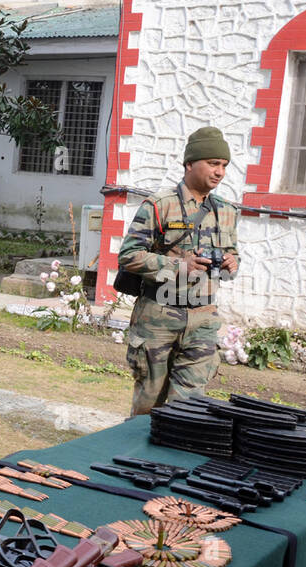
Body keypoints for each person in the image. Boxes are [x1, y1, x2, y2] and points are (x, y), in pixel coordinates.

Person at [118, 126, 240, 416]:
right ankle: (137, 458)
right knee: (149, 403)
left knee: (190, 406)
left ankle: (174, 459)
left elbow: (231, 254)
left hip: (203, 318)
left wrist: (232, 262)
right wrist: (176, 266)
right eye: (212, 163)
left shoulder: (227, 211)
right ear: (189, 164)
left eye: (223, 165)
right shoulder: (160, 205)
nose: (219, 172)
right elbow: (128, 255)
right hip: (158, 315)